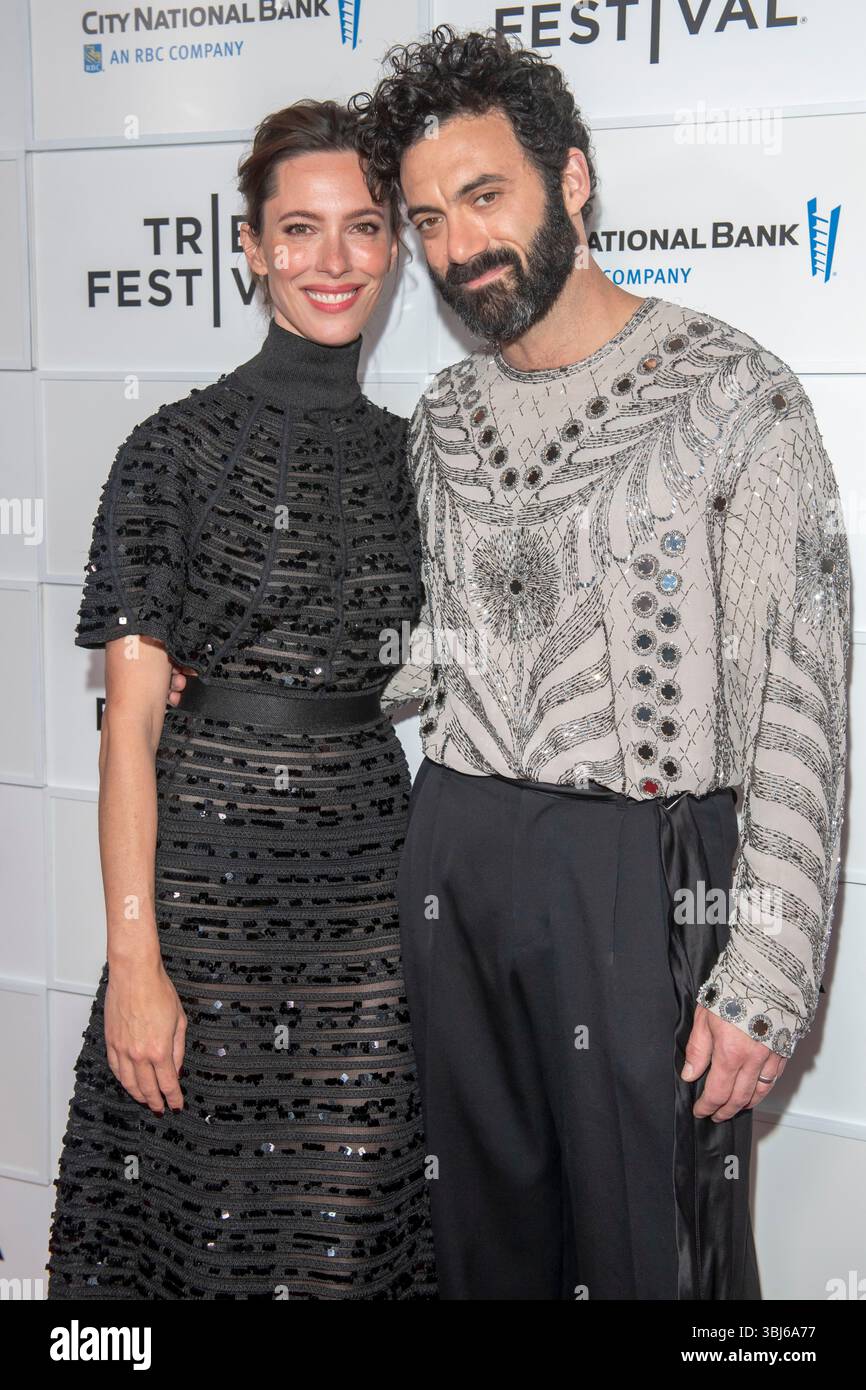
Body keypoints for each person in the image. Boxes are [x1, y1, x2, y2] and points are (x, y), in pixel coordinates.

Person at [338, 25, 848, 1299]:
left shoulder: (740, 394)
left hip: (644, 870)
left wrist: (767, 970)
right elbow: (430, 647)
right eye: (426, 219)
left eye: (483, 196)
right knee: (484, 1253)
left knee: (658, 1260)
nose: (457, 248)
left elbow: (802, 699)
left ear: (572, 179)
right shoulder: (443, 420)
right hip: (457, 848)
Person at [46, 99, 437, 1300]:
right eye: (300, 229)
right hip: (206, 906)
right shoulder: (173, 451)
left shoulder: (415, 458)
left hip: (370, 903)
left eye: (361, 228)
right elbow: (130, 734)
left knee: (347, 1242)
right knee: (193, 1237)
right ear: (252, 246)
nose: (332, 260)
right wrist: (135, 961)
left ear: (393, 247)